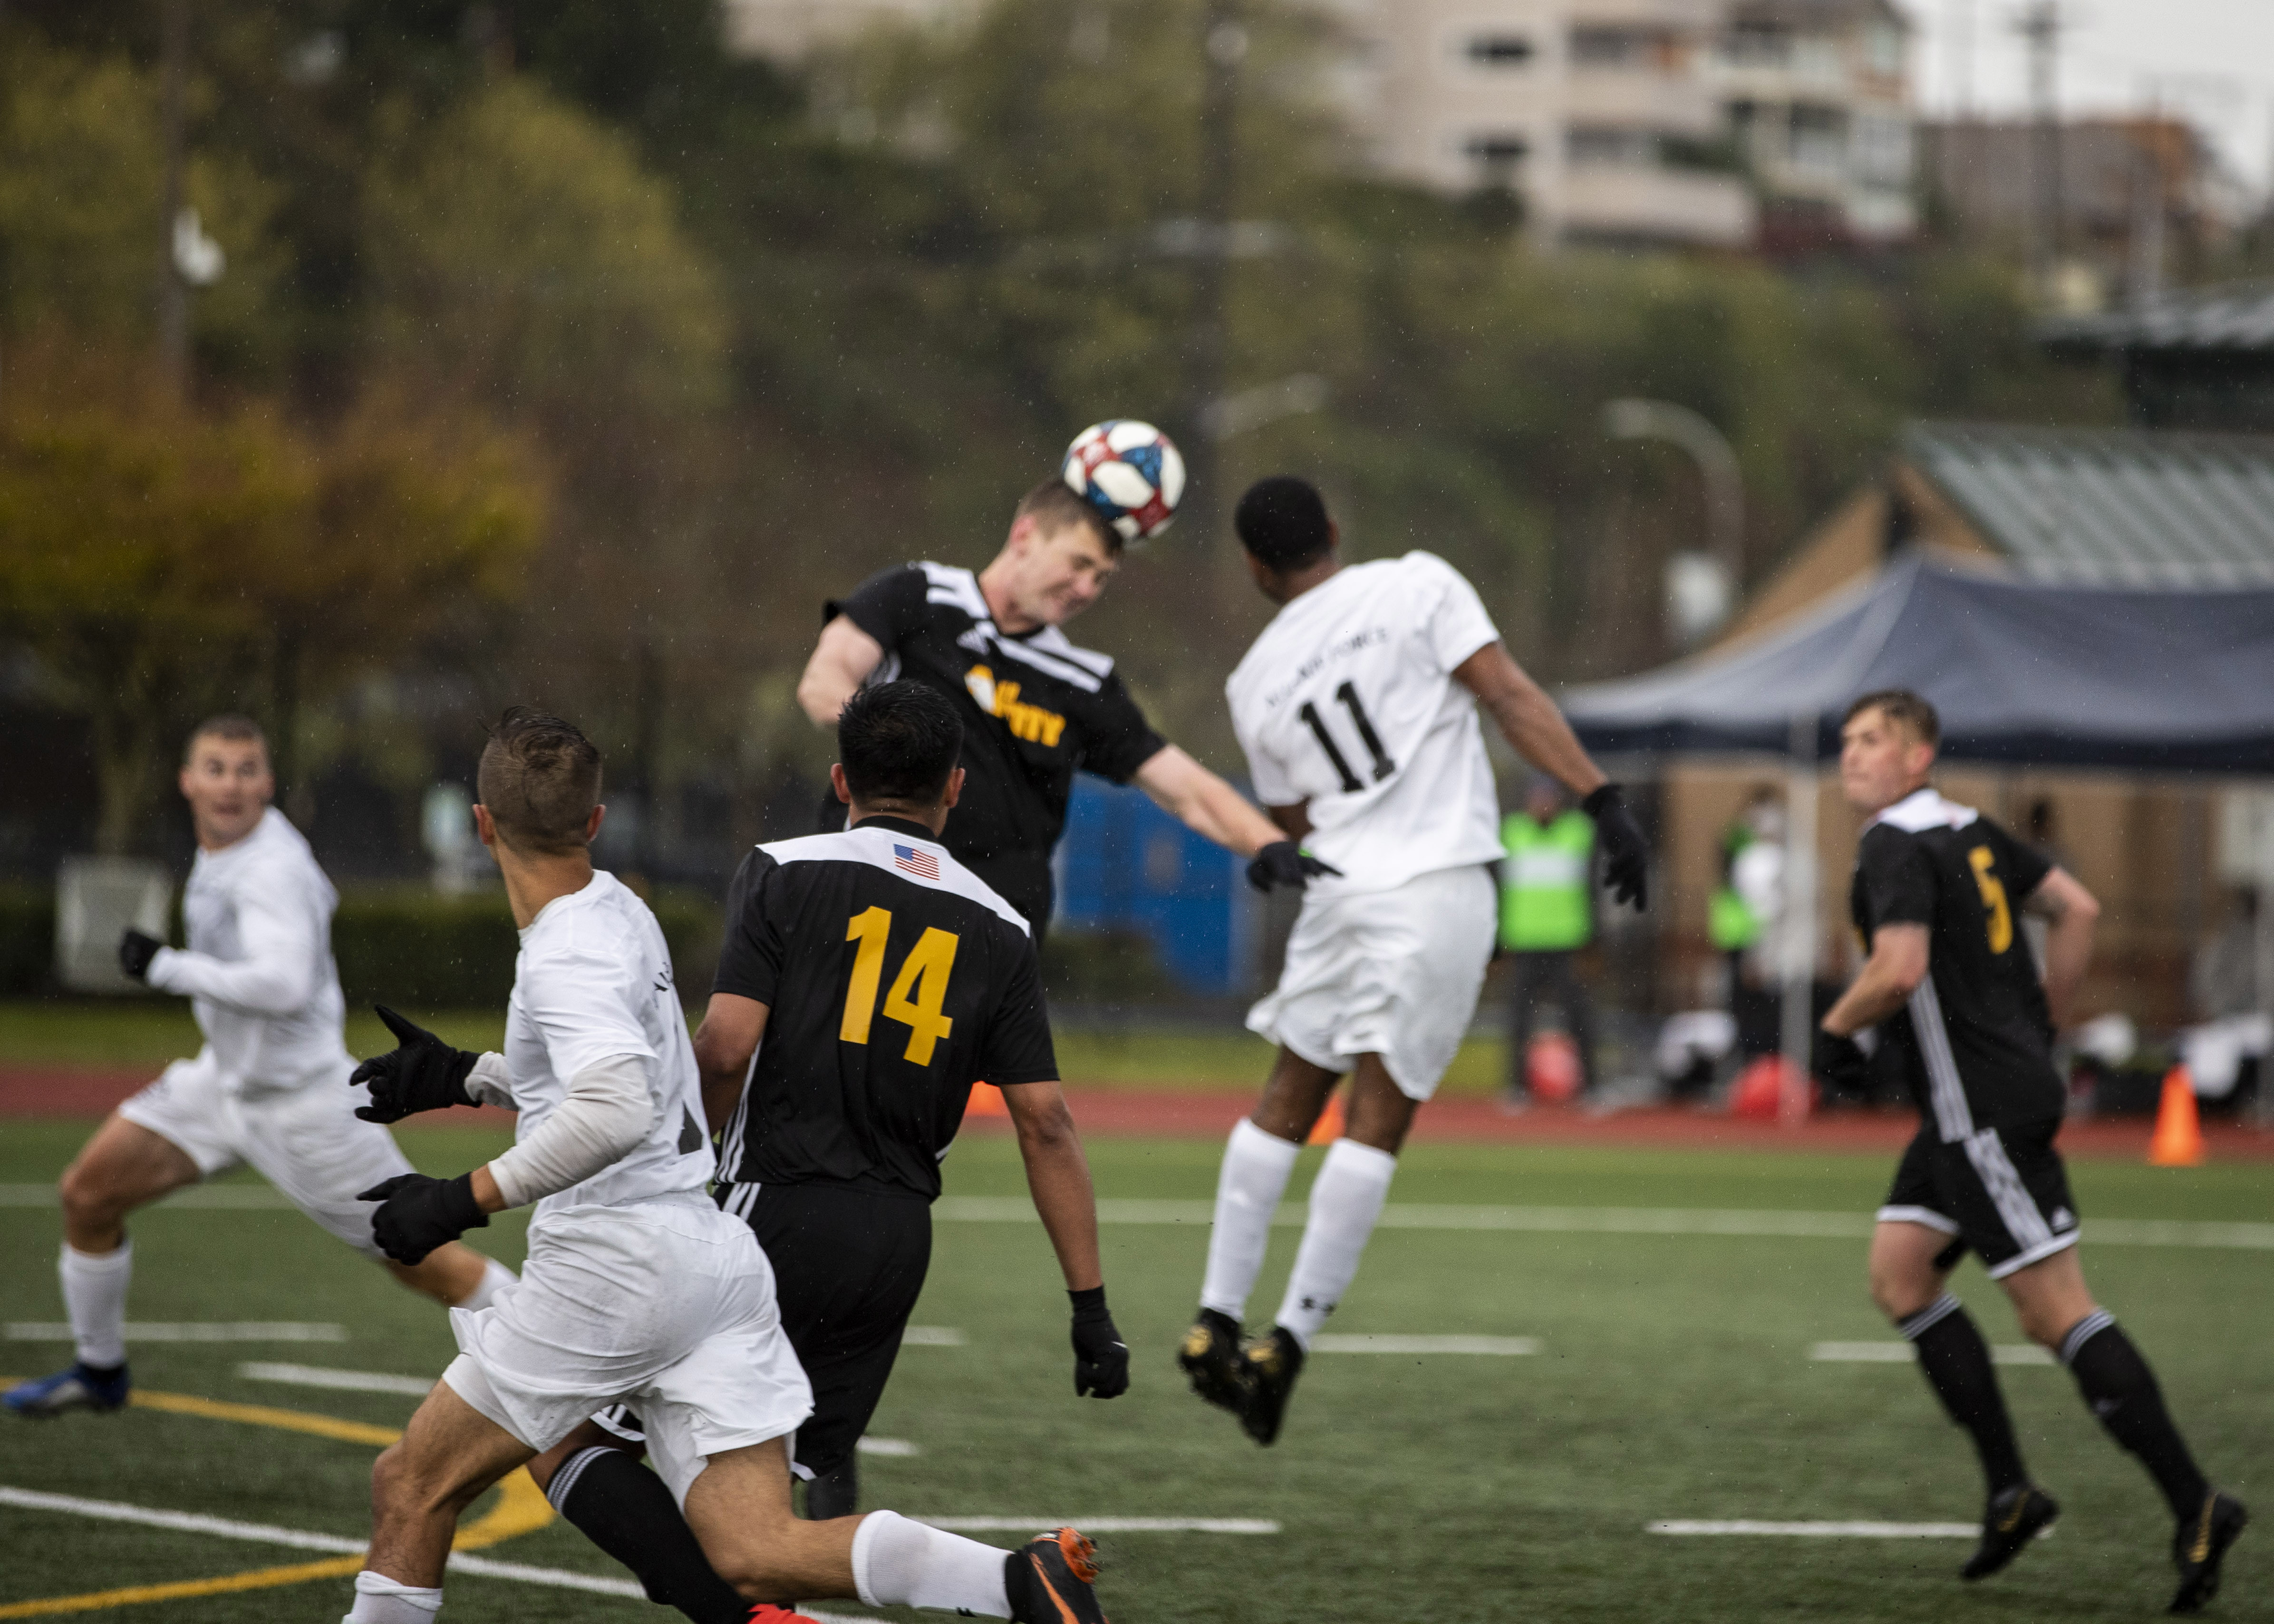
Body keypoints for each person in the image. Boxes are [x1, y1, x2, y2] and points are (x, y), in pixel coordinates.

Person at [335, 708, 1107, 1624]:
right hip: (732, 1259)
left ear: (480, 824)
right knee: (755, 1550)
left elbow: (640, 1095)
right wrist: (469, 1075)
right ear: (595, 822)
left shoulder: (614, 932)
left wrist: (460, 1197)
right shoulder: (620, 911)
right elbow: (650, 1083)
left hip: (631, 1258)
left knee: (413, 1484)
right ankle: (1016, 1581)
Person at [1179, 476, 1650, 1445]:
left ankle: (1214, 1318)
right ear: (1334, 532)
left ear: (1257, 568)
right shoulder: (1418, 584)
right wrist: (1601, 800)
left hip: (1339, 890)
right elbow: (1509, 696)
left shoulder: (1251, 680)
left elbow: (1296, 820)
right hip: (1434, 886)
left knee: (1285, 1097)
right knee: (1377, 1116)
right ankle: (1288, 1342)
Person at [1812, 690, 2246, 1612]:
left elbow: (1897, 969)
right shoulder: (1972, 829)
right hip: (1968, 1106)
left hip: (1980, 1114)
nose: (1851, 754)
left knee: (2055, 1314)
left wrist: (1835, 1027)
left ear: (1918, 756)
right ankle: (2012, 1492)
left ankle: (2196, 1502)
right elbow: (2076, 909)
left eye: (1872, 740)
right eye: (1846, 740)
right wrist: (2042, 1019)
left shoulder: (1895, 841)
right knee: (1901, 1277)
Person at [3, 715, 513, 1419]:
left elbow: (283, 986)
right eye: (215, 768)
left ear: (268, 784)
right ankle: (99, 1371)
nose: (231, 785)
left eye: (246, 770)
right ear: (187, 781)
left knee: (426, 1261)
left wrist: (165, 966)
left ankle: (572, 1356)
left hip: (304, 1105)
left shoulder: (272, 868)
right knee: (88, 1195)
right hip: (221, 1084)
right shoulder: (224, 851)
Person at [794, 476, 1325, 940]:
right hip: (866, 894)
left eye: (1102, 577)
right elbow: (826, 678)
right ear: (1025, 535)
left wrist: (1270, 842)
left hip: (991, 928)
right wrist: (891, 743)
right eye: (1079, 564)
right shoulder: (920, 595)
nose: (1086, 589)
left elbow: (1186, 789)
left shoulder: (1079, 682)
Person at [1498, 773, 1598, 1104]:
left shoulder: (1577, 832)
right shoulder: (1512, 832)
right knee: (1519, 1019)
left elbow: (1593, 888)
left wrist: (1594, 939)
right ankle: (1516, 1087)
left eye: (1548, 799)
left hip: (1567, 940)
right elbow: (1497, 888)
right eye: (1537, 798)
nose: (1542, 805)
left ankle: (1592, 1088)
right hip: (1524, 939)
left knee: (1578, 1017)